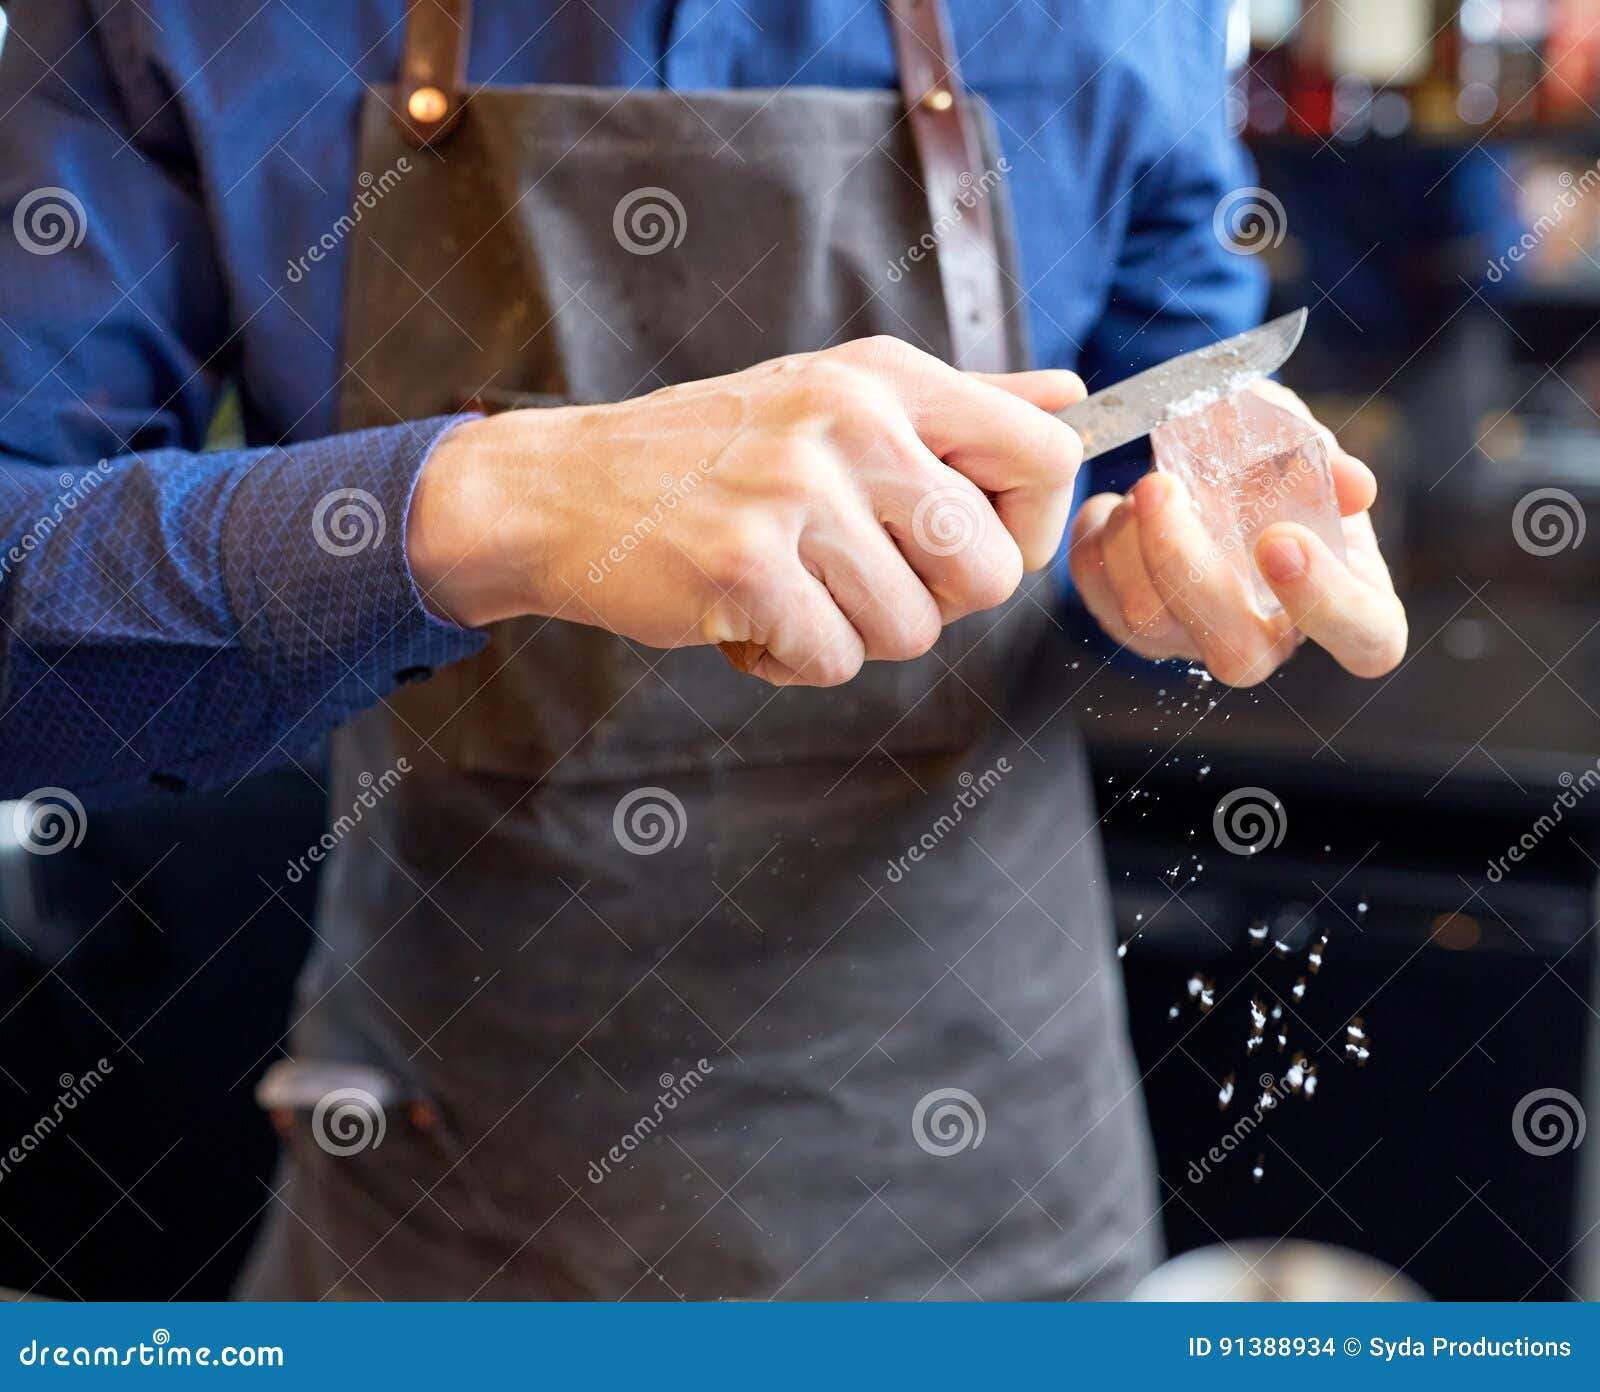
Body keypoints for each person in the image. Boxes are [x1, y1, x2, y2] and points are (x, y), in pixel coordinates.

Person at [0, 0, 1405, 1299]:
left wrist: (1177, 570)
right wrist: (487, 501)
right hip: (449, 1205)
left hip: (994, 1203)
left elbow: (1163, 430)